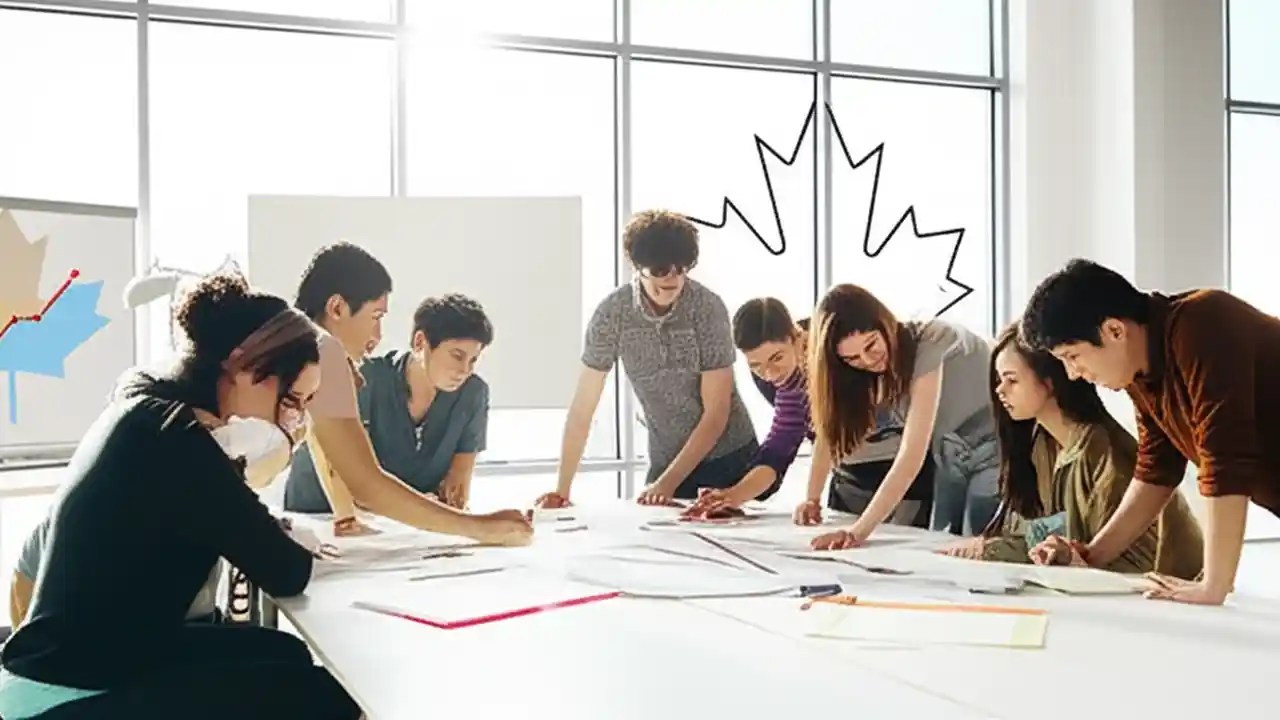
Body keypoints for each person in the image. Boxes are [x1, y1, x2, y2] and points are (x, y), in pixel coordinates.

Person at [0, 273, 362, 719]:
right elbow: (286, 569)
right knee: (328, 697)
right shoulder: (178, 441)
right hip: (66, 691)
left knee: (282, 651)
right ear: (247, 371)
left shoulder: (148, 408)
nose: (295, 420)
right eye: (292, 401)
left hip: (101, 654)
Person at [1018, 258, 1280, 606]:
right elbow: (1157, 471)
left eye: (1073, 356)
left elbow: (1227, 460)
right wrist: (1091, 555)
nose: (1073, 374)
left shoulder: (1203, 324)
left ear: (1114, 330)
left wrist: (1213, 586)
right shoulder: (1141, 372)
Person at [290, 241, 530, 545]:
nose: (377, 336)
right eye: (376, 317)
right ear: (336, 308)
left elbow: (326, 448)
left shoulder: (312, 353)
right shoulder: (328, 356)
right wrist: (481, 528)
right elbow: (364, 483)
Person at [936, 323, 1204, 578]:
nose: (999, 390)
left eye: (1011, 380)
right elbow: (1036, 535)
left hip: (1164, 592)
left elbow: (1129, 564)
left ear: (1050, 381)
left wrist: (995, 551)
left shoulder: (1104, 452)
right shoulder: (1041, 442)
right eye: (999, 380)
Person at [535, 210, 759, 508]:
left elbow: (717, 411)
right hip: (666, 459)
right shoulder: (612, 314)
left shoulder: (707, 308)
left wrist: (667, 483)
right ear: (638, 266)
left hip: (730, 457)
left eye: (681, 269)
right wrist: (562, 490)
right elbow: (583, 408)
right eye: (660, 270)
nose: (672, 278)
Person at [682, 298, 934, 523]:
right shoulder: (778, 380)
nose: (769, 373)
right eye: (756, 365)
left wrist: (812, 496)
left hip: (900, 462)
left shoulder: (840, 348)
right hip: (847, 473)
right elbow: (781, 447)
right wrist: (732, 495)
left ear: (797, 336)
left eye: (777, 358)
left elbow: (832, 427)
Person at [808, 284, 999, 550]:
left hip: (997, 445)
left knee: (982, 540)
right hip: (949, 456)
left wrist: (857, 532)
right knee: (945, 546)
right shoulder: (877, 372)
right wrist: (811, 499)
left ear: (885, 323)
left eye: (871, 344)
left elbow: (911, 453)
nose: (868, 359)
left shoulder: (933, 338)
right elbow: (830, 430)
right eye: (852, 358)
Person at [287, 293, 492, 512]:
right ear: (420, 342)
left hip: (401, 523)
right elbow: (351, 475)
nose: (465, 370)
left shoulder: (473, 394)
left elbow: (457, 491)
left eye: (473, 359)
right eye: (457, 356)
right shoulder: (365, 379)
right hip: (322, 512)